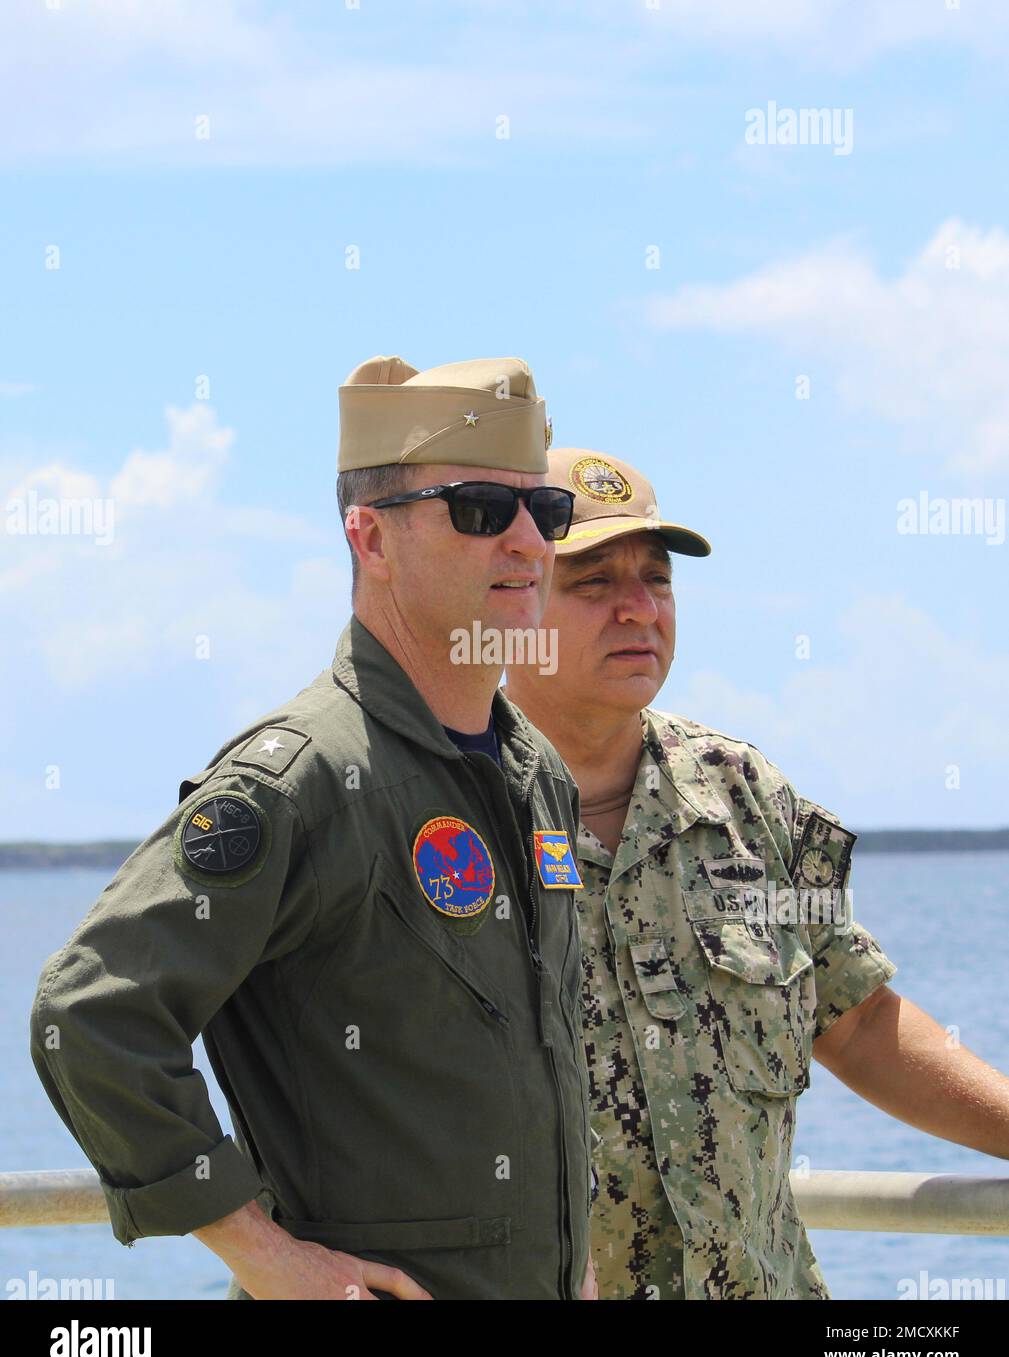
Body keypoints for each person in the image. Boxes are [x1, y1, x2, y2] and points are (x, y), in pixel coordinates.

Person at [29, 357, 596, 1302]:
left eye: (548, 511)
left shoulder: (535, 774)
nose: (530, 544)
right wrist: (263, 1256)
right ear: (369, 537)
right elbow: (90, 1017)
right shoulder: (299, 783)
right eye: (481, 510)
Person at [502, 445, 1009, 1300]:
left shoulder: (743, 793)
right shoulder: (441, 817)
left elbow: (853, 1019)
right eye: (592, 583)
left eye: (656, 580)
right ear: (511, 602)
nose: (638, 609)